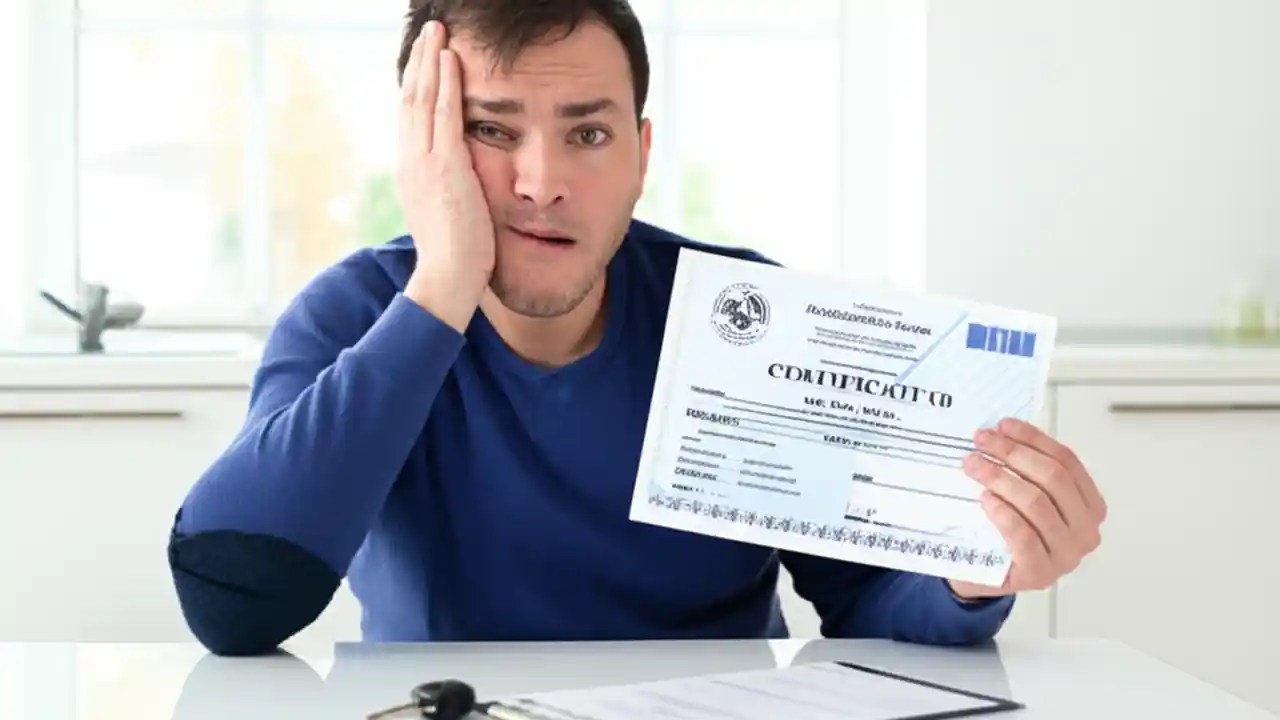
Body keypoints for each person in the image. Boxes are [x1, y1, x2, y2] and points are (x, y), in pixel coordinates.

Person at [167, 0, 1107, 657]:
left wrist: (974, 574)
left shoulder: (748, 318)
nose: (542, 182)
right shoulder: (356, 316)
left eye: (587, 133)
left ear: (641, 154)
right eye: (493, 131)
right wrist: (446, 281)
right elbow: (233, 604)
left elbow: (870, 601)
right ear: (427, 146)